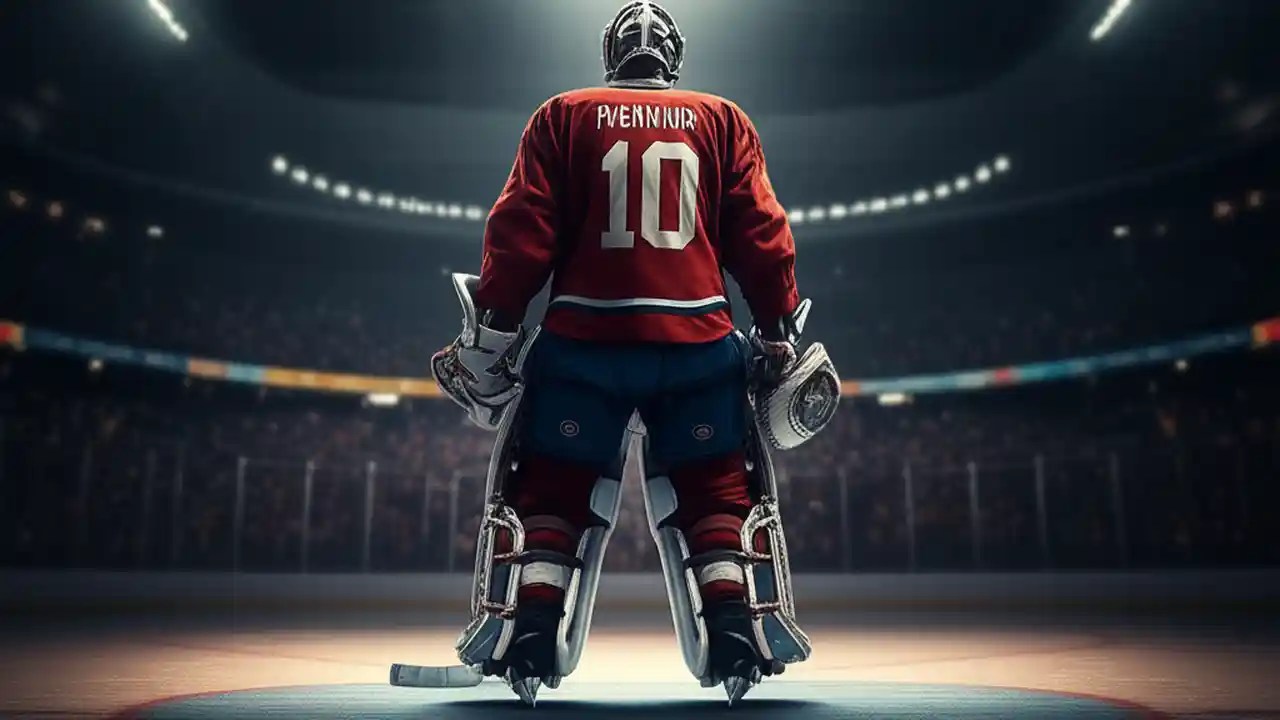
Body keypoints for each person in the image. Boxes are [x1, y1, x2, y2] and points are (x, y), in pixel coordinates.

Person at [430, 0, 831, 705]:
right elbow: (762, 236)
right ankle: (734, 634)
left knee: (553, 492)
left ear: (609, 54)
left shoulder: (561, 114)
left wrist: (493, 330)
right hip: (698, 342)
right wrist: (775, 330)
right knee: (715, 493)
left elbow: (521, 232)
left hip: (583, 342)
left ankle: (531, 635)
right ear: (673, 57)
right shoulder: (722, 118)